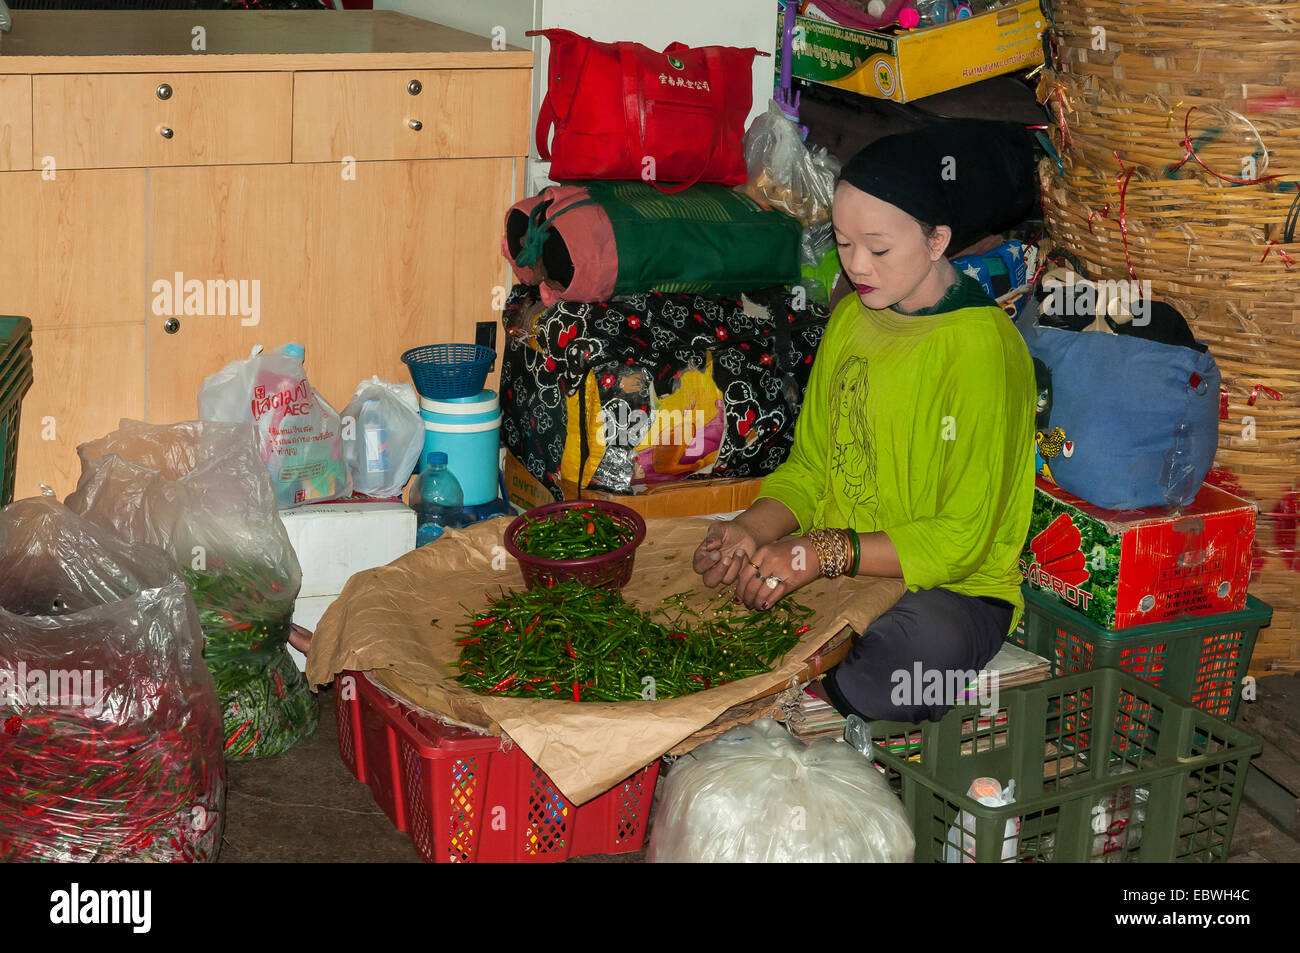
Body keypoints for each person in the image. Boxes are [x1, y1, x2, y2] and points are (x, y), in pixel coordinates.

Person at [692, 120, 1037, 723]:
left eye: (878, 249)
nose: (857, 267)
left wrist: (820, 553)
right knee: (715, 594)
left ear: (937, 242)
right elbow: (810, 467)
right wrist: (755, 528)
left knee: (915, 662)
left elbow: (960, 541)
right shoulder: (852, 320)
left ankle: (816, 693)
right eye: (843, 244)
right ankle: (819, 666)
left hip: (947, 590)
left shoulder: (982, 350)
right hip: (843, 569)